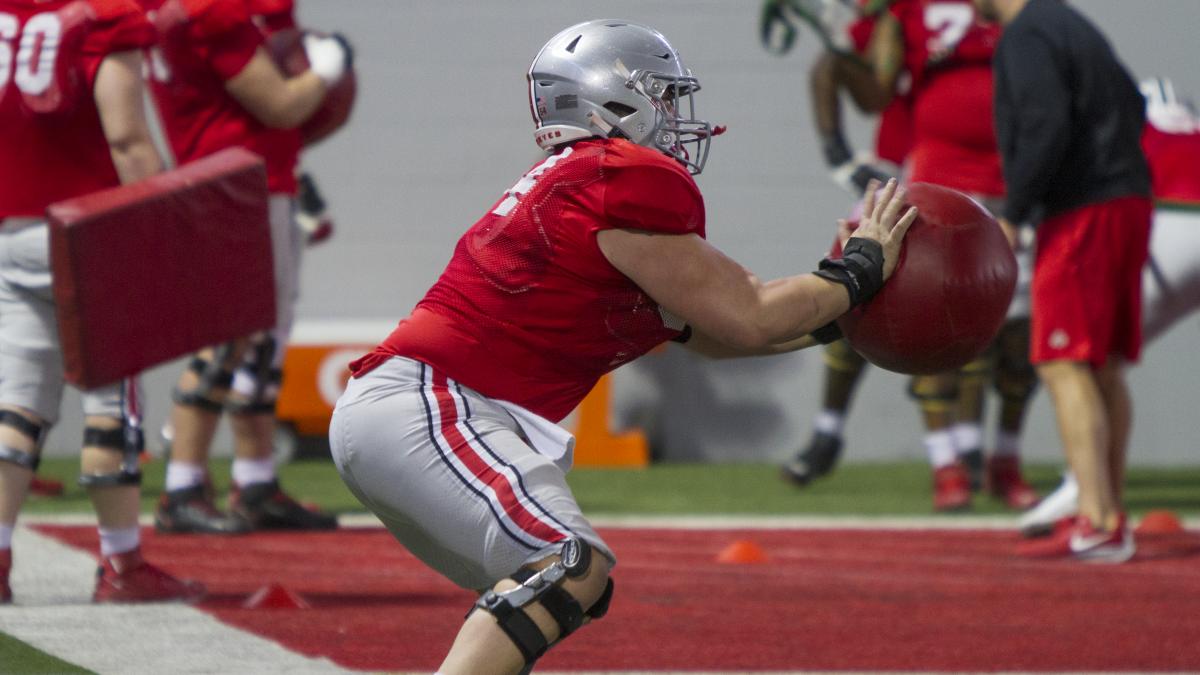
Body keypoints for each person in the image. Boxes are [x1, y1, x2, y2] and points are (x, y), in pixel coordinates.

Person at [329, 19, 917, 675]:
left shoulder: (584, 180)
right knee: (565, 564)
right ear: (612, 100)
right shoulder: (619, 172)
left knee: (559, 588)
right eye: (662, 95)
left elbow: (721, 336)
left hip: (407, 412)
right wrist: (859, 268)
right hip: (433, 406)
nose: (675, 116)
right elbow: (752, 313)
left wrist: (843, 315)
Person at [775, 0, 1039, 511]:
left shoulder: (1022, 15)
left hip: (1011, 186)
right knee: (904, 305)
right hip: (932, 178)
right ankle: (939, 459)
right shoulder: (906, 11)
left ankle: (993, 458)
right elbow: (864, 84)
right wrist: (839, 156)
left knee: (1017, 336)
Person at [0, 0, 204, 603]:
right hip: (90, 229)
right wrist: (167, 222)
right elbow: (126, 137)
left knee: (17, 402)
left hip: (13, 229)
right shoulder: (105, 16)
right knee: (112, 401)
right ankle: (122, 563)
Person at [138, 0, 350, 533]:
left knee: (262, 341)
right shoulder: (210, 9)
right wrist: (329, 67)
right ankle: (182, 485)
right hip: (235, 183)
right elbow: (281, 106)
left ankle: (255, 480)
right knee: (228, 337)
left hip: (247, 176)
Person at [974, 0, 1152, 562]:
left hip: (1081, 211)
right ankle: (1107, 512)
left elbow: (1045, 122)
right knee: (1102, 365)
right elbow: (1134, 102)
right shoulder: (1071, 25)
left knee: (1062, 359)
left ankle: (1099, 519)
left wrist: (1015, 211)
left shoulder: (1027, 34)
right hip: (1126, 197)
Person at [1019, 77, 1200, 537]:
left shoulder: (1126, 131)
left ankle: (1086, 492)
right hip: (1178, 217)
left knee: (1085, 359)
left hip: (1176, 221)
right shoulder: (1190, 135)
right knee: (1101, 363)